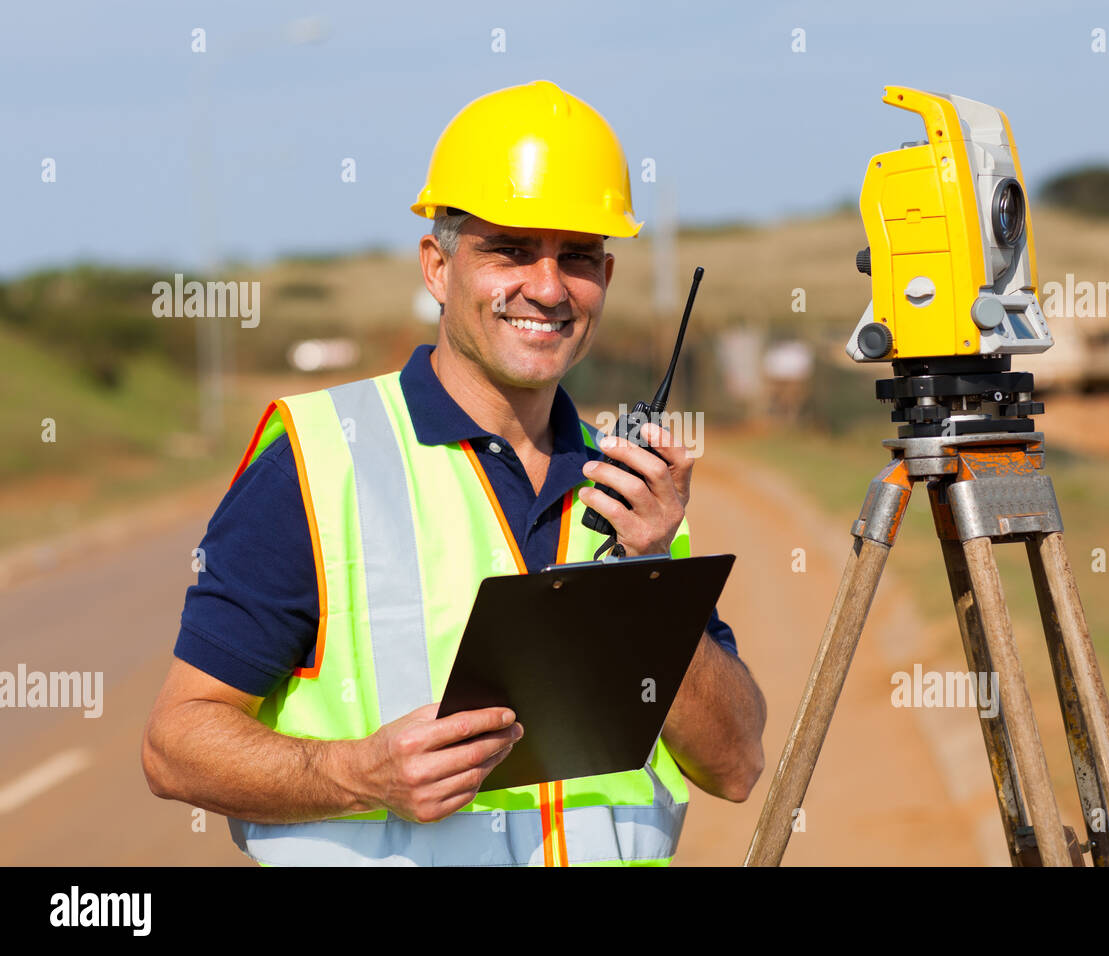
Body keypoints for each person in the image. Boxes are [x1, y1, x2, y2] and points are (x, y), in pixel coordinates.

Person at [142, 79, 766, 866]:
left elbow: (737, 764)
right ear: (437, 267)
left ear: (604, 280)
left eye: (576, 256)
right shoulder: (321, 460)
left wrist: (647, 571)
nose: (546, 287)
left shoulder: (627, 487)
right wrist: (352, 774)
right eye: (509, 249)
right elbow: (175, 744)